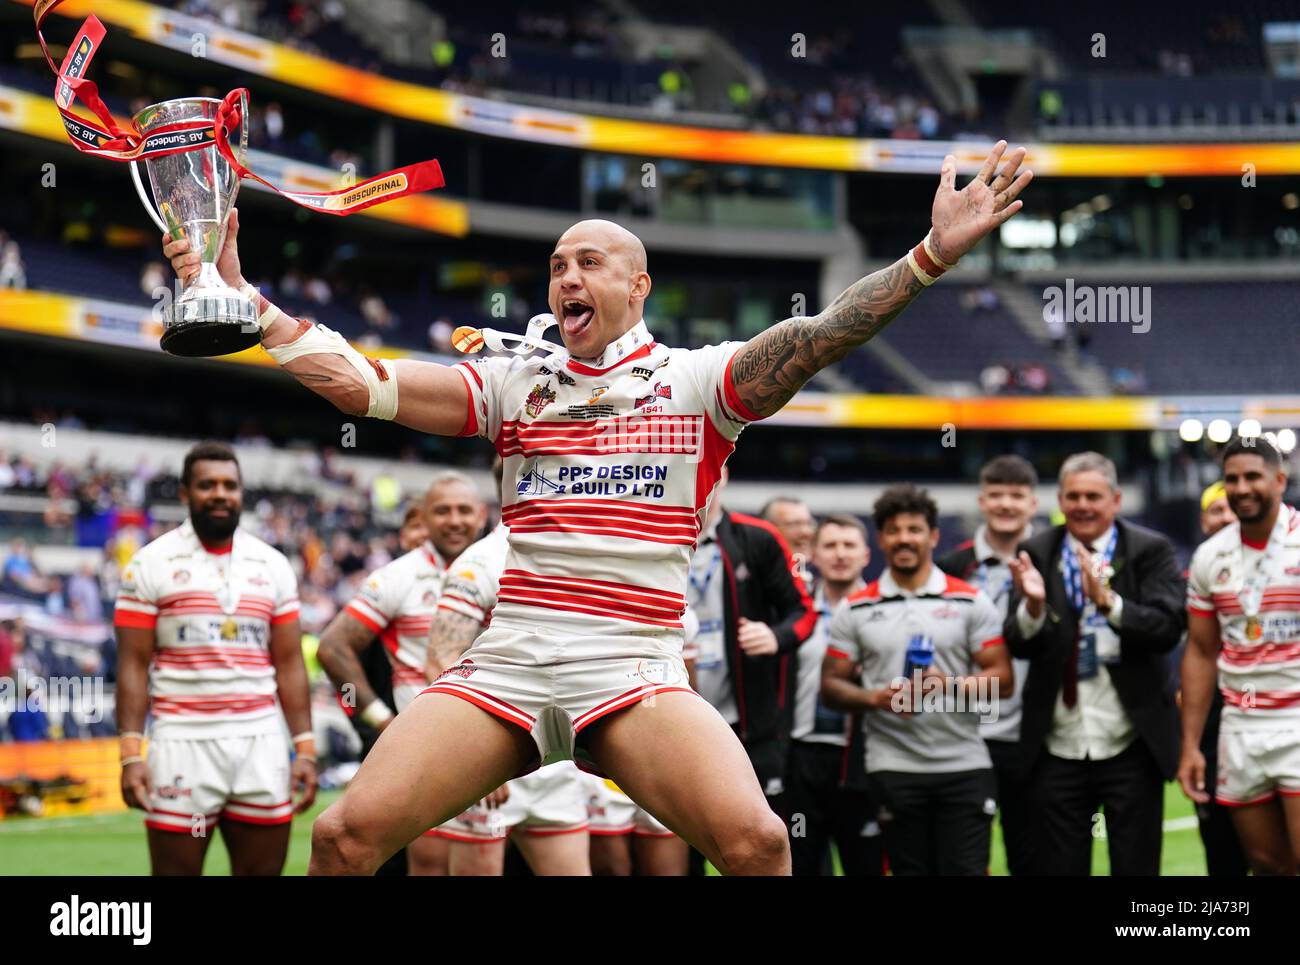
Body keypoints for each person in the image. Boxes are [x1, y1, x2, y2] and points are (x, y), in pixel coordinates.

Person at [161, 140, 1032, 875]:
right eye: (556, 266)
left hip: (633, 667)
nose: (565, 277)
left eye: (588, 262)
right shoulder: (513, 382)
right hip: (509, 666)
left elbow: (822, 334)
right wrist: (254, 310)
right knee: (346, 836)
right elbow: (368, 386)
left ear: (638, 285)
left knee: (759, 842)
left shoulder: (697, 380)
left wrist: (929, 258)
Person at [114, 442, 317, 875]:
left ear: (242, 492)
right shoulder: (149, 564)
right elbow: (132, 663)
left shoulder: (274, 564)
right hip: (180, 741)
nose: (220, 494)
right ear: (186, 494)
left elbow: (289, 663)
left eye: (230, 485)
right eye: (207, 485)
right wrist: (132, 754)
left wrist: (305, 748)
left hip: (260, 741)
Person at [1006, 451, 1184, 875]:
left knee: (1136, 866)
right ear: (1060, 501)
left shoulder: (1149, 550)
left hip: (1130, 741)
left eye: (1093, 495)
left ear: (1116, 500)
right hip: (1057, 744)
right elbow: (1017, 642)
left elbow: (1167, 627)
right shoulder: (1036, 551)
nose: (1082, 505)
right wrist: (1031, 608)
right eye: (1073, 496)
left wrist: (1111, 605)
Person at [821, 485, 1012, 875]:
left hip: (964, 763)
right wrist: (876, 699)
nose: (904, 538)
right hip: (892, 766)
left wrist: (951, 686)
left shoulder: (969, 600)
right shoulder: (855, 609)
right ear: (881, 539)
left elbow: (1002, 682)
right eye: (894, 530)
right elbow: (831, 688)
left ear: (934, 536)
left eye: (914, 529)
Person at [316, 472, 487, 875]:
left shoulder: (507, 565)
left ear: (481, 515)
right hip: (424, 746)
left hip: (498, 743)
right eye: (442, 511)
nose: (455, 520)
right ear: (423, 518)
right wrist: (379, 718)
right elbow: (332, 647)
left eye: (464, 510)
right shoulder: (398, 576)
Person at [424, 519, 591, 875]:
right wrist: (473, 760)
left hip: (557, 765)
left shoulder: (576, 550)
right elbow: (440, 662)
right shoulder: (482, 560)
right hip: (491, 758)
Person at [1180, 438, 1300, 874]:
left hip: (1296, 718)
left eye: (1253, 477)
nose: (1242, 488)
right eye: (1232, 479)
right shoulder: (1210, 556)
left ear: (1280, 481)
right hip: (1240, 725)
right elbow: (1200, 650)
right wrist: (1192, 745)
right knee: (1266, 862)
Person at [688, 468, 817, 815]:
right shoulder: (650, 537)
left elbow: (803, 611)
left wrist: (776, 636)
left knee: (759, 837)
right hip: (675, 720)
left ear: (723, 473)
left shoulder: (757, 538)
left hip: (748, 727)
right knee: (680, 850)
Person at [936, 454, 1038, 875]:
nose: (1006, 504)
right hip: (966, 734)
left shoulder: (1051, 559)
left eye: (1017, 495)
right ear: (981, 500)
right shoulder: (950, 567)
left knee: (1032, 855)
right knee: (963, 858)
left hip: (1033, 737)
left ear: (1033, 503)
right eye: (997, 495)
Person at [785, 514, 882, 876]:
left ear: (866, 555)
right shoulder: (794, 611)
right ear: (814, 554)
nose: (840, 554)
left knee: (866, 863)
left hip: (863, 757)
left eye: (849, 545)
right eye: (830, 545)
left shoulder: (883, 609)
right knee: (801, 861)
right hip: (801, 757)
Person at [1182, 480, 1248, 876]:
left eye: (1232, 507)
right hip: (1211, 724)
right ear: (1203, 521)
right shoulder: (1191, 579)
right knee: (1223, 854)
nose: (1226, 516)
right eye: (1215, 509)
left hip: (1276, 720)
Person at [761, 496, 816, 585]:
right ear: (767, 530)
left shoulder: (822, 581)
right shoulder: (753, 582)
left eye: (809, 523)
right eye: (794, 524)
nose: (806, 532)